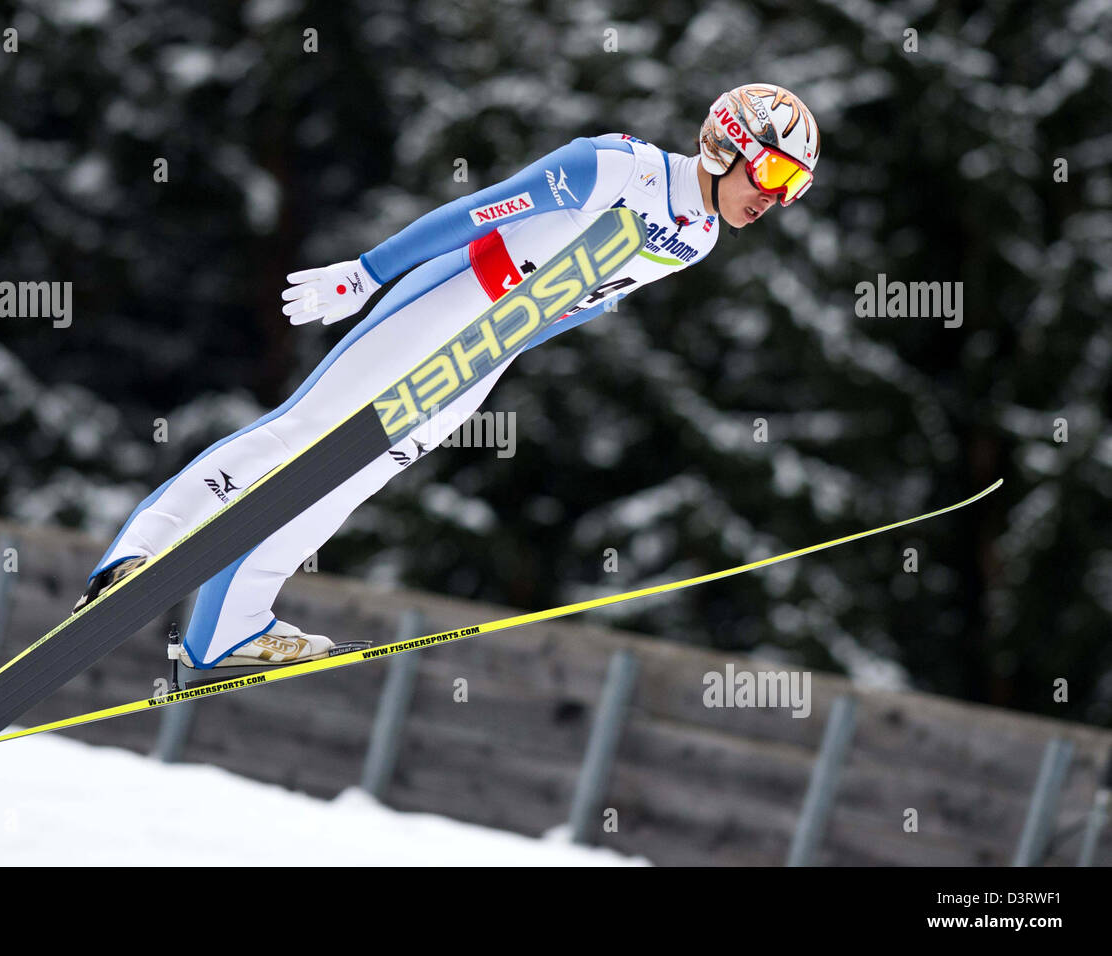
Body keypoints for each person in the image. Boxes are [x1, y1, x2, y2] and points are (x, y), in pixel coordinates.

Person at [73, 83, 821, 670]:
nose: (776, 198)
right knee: (304, 431)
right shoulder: (617, 167)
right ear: (726, 144)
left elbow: (590, 301)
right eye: (777, 172)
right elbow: (477, 211)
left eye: (797, 188)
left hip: (490, 349)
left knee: (348, 477)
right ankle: (139, 553)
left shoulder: (698, 237)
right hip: (456, 297)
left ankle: (225, 628)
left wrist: (508, 348)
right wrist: (366, 273)